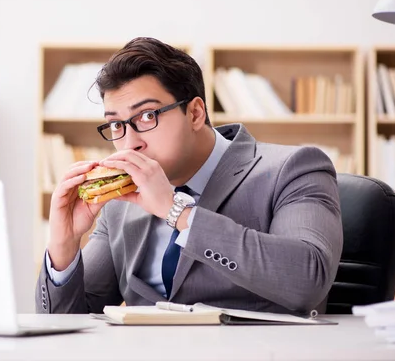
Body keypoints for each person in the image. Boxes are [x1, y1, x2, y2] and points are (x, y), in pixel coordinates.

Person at [36, 37, 343, 316]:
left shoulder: (293, 168)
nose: (130, 143)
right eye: (116, 125)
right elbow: (69, 322)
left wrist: (177, 211)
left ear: (195, 113)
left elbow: (306, 281)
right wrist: (64, 244)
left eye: (147, 116)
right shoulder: (119, 203)